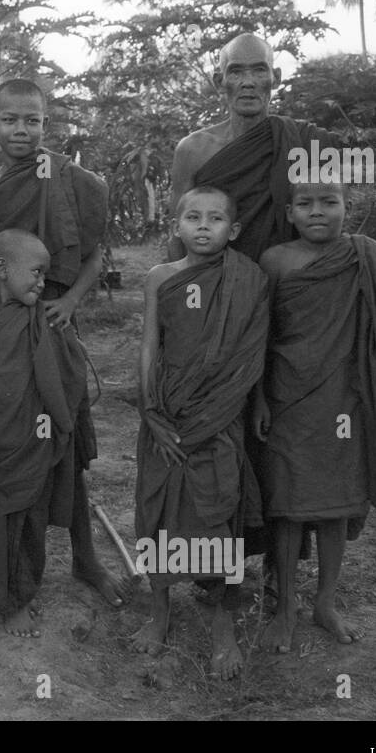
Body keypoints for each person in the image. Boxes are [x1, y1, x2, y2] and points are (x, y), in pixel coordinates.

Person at [0, 78, 124, 607]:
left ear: (46, 124)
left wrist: (72, 300)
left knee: (66, 442)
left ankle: (86, 558)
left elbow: (95, 254)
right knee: (7, 446)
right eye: (9, 119)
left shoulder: (71, 180)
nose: (21, 130)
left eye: (32, 120)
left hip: (55, 323)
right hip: (5, 334)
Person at [254, 180, 376, 654]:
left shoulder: (366, 257)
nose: (317, 212)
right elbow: (258, 335)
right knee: (288, 504)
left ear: (347, 208)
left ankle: (325, 602)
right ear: (290, 211)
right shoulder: (275, 260)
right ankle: (284, 610)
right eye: (305, 204)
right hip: (287, 395)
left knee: (337, 504)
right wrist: (258, 396)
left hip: (346, 396)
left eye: (329, 202)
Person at [130, 186, 269, 679]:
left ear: (233, 231)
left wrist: (227, 409)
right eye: (193, 217)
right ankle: (160, 610)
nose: (203, 226)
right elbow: (150, 346)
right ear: (177, 226)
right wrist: (149, 409)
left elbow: (251, 356)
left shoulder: (247, 279)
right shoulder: (159, 277)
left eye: (215, 219)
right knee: (159, 508)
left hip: (220, 416)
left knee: (219, 512)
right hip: (166, 409)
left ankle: (223, 627)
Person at [0, 230, 86, 636]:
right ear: (1, 269)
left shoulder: (42, 320)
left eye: (45, 275)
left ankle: (17, 597)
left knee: (28, 515)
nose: (42, 282)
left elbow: (63, 373)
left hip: (33, 437)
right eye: (35, 272)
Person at [168, 32, 342, 263]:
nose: (248, 82)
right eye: (236, 71)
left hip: (288, 276)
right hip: (216, 281)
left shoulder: (301, 140)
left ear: (275, 77)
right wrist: (177, 285)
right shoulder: (193, 150)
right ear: (219, 81)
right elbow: (178, 230)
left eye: (259, 70)